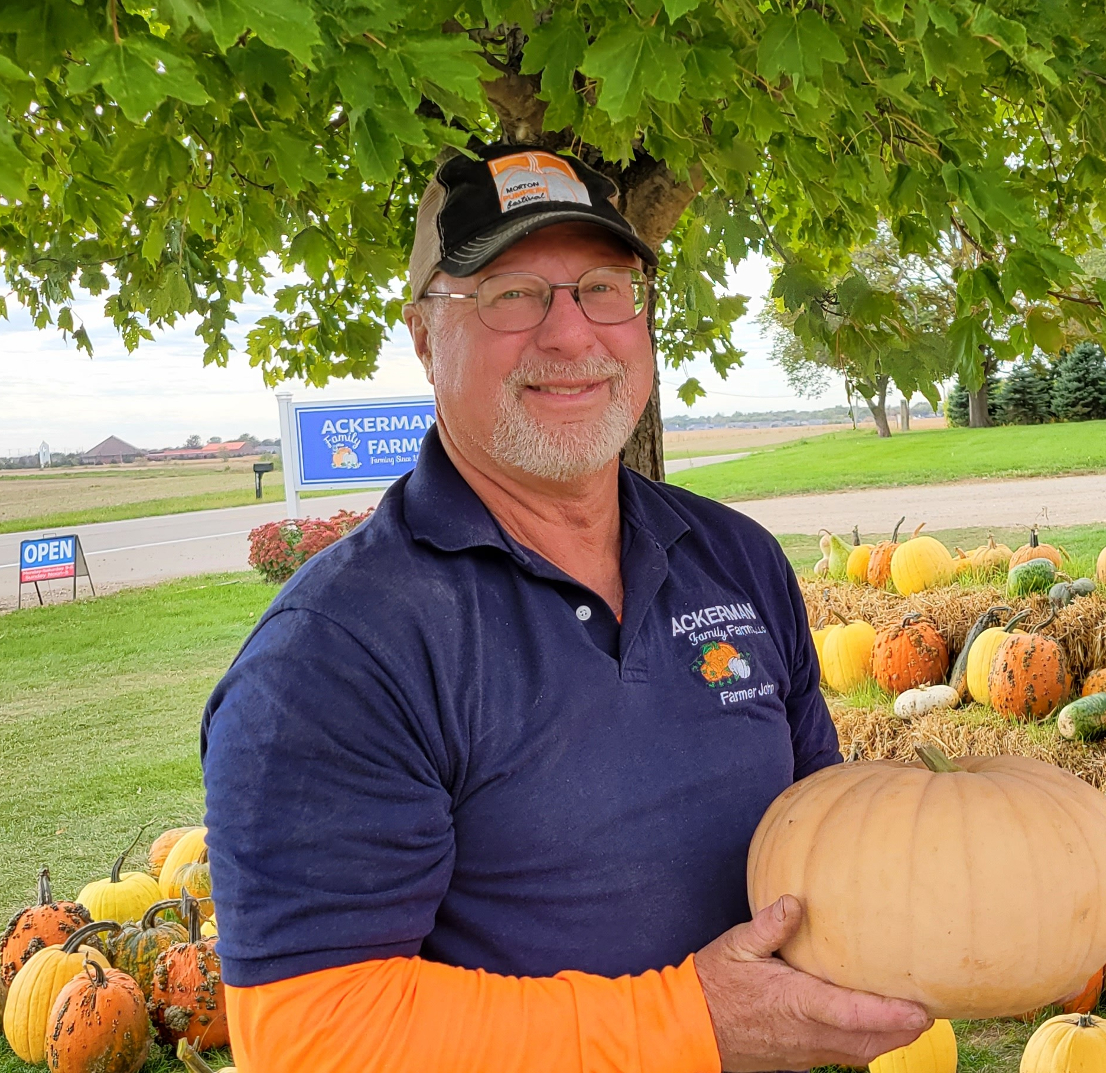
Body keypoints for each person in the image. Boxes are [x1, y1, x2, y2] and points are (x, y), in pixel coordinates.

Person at [200, 143, 932, 1072]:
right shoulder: (336, 653)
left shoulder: (736, 559)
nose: (571, 334)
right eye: (511, 294)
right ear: (423, 334)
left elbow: (825, 839)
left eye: (602, 287)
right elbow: (314, 1035)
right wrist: (695, 1025)